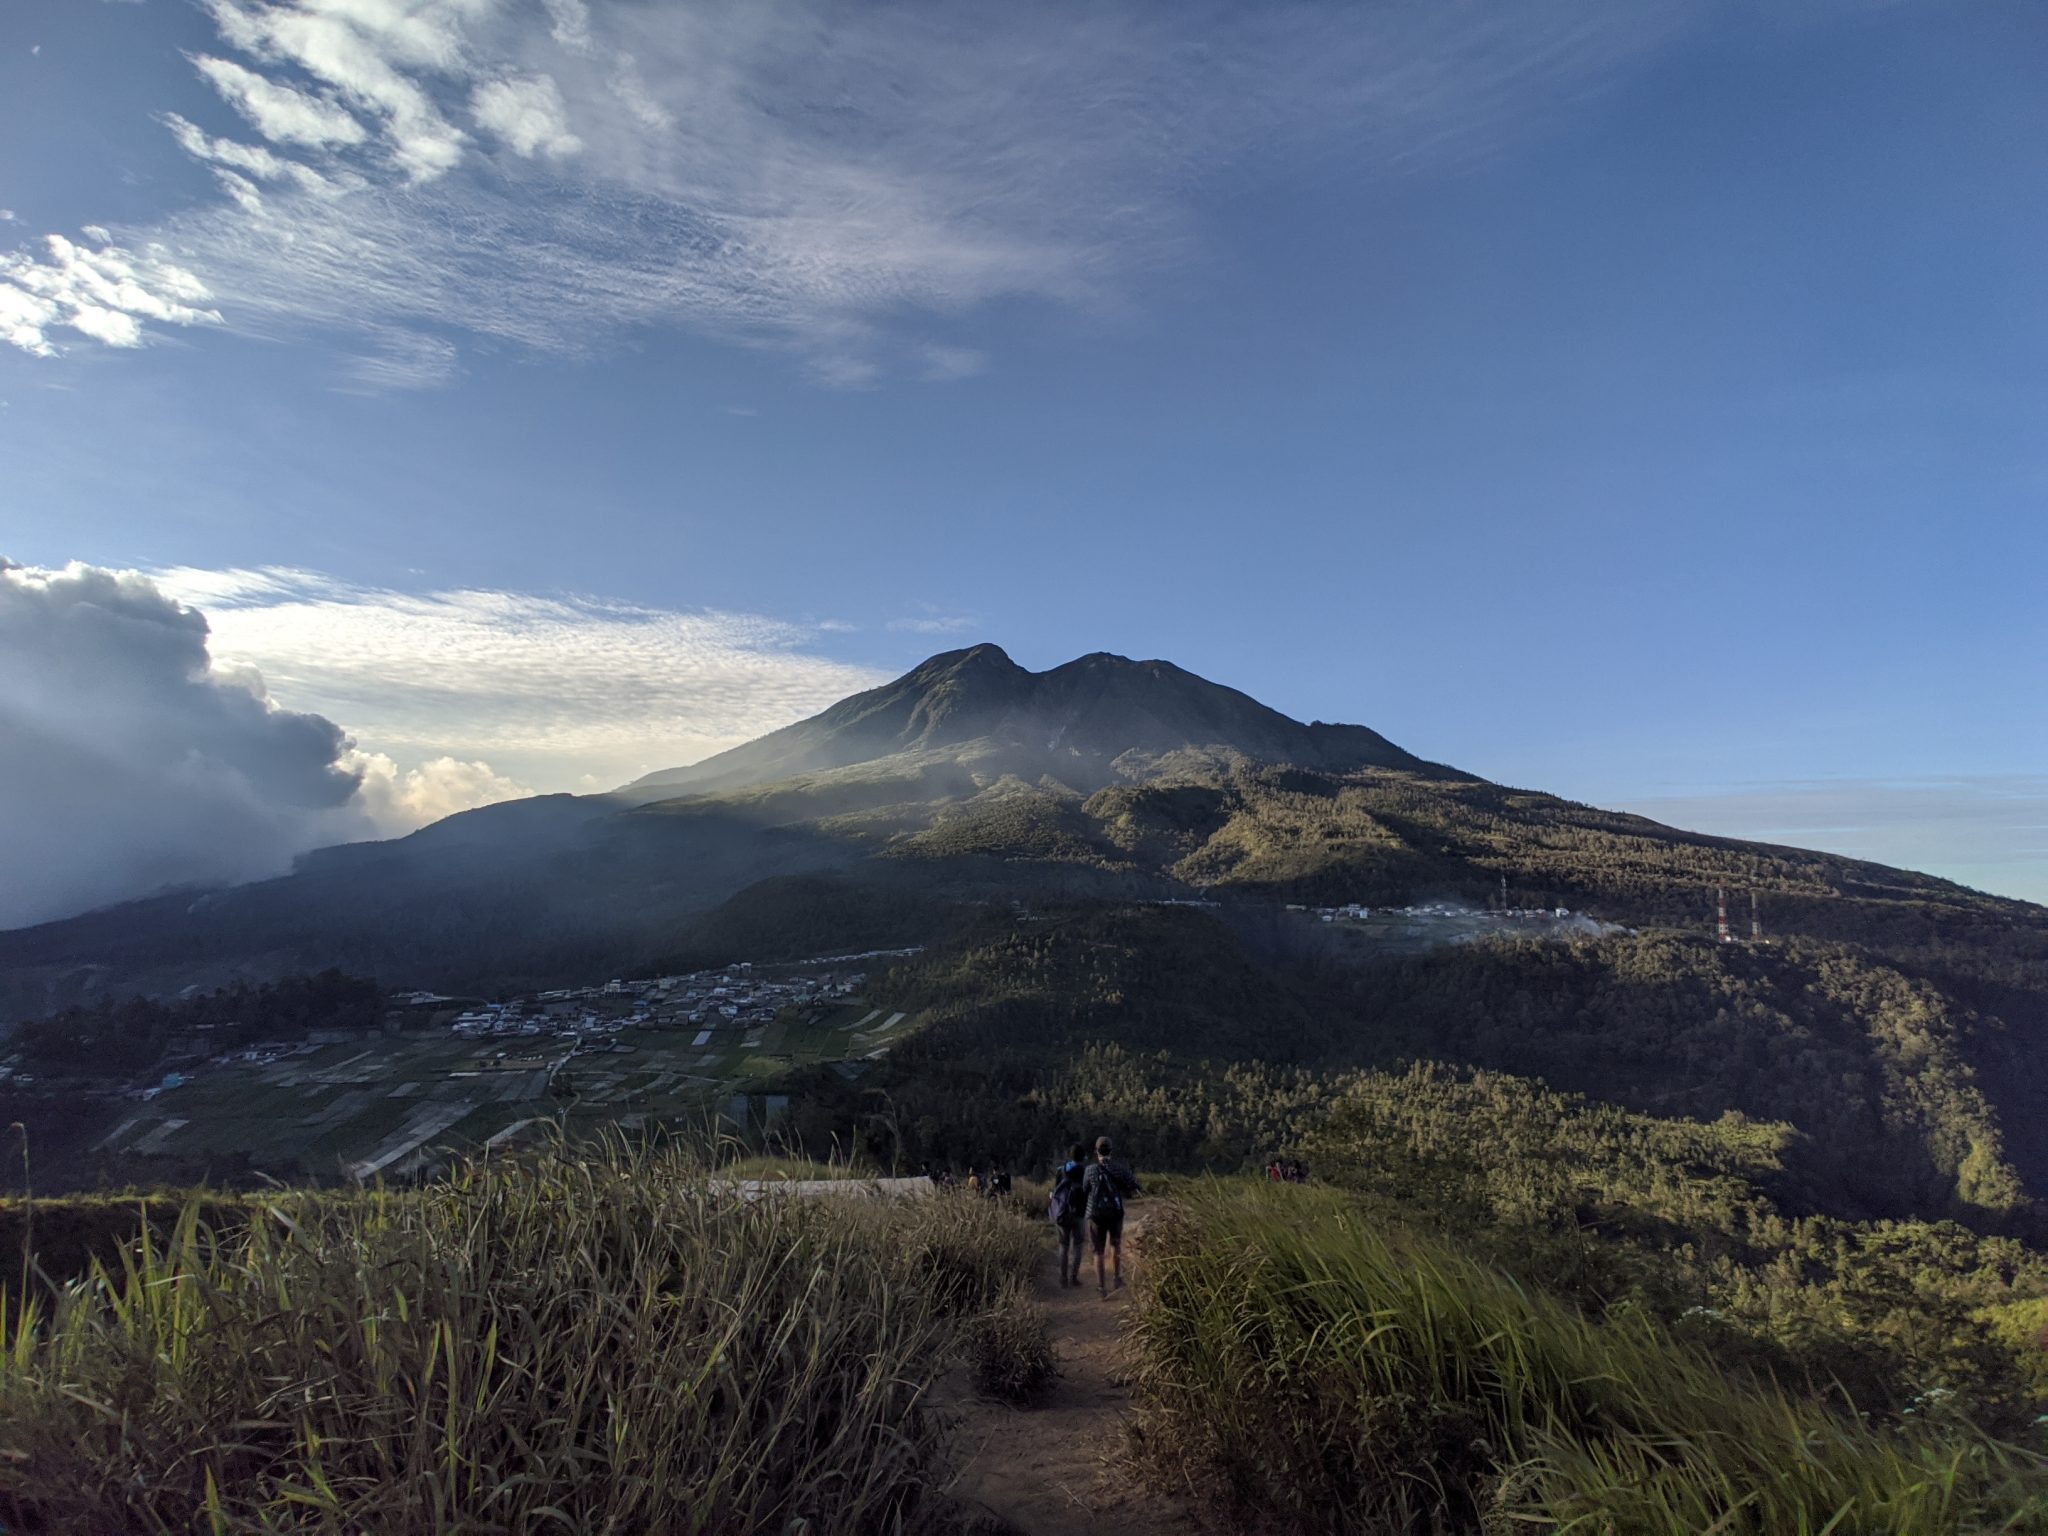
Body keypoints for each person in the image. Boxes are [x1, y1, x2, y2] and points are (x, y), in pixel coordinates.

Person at [1082, 1135, 1141, 1298]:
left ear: (1096, 1152)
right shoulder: (1118, 1168)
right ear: (1111, 1151)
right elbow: (1135, 1184)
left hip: (1095, 1214)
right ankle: (1117, 1279)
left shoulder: (1090, 1170)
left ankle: (1101, 1288)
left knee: (1098, 1251)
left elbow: (1085, 1190)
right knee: (1115, 1246)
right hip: (1115, 1213)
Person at [1048, 1143, 1088, 1286]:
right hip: (1079, 1213)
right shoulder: (1085, 1171)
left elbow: (1056, 1190)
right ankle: (1074, 1277)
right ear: (1083, 1157)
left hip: (1062, 1212)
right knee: (1078, 1246)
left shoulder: (1061, 1170)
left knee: (1063, 1246)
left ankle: (1063, 1278)